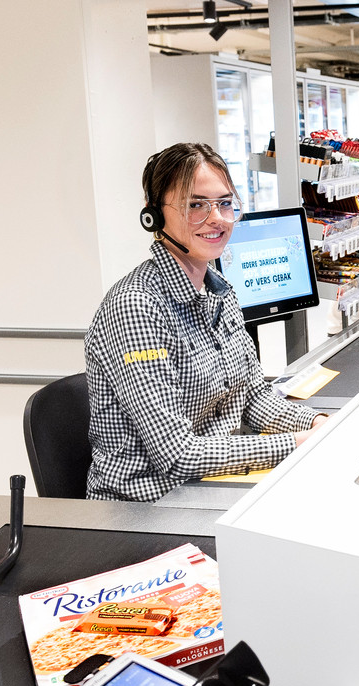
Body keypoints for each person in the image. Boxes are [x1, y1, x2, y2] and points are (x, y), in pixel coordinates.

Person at [84, 142, 327, 502]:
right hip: (148, 506)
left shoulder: (220, 291)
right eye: (195, 205)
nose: (217, 218)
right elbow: (178, 456)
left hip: (212, 486)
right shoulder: (136, 307)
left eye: (225, 203)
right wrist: (296, 444)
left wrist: (317, 424)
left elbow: (255, 399)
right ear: (153, 215)